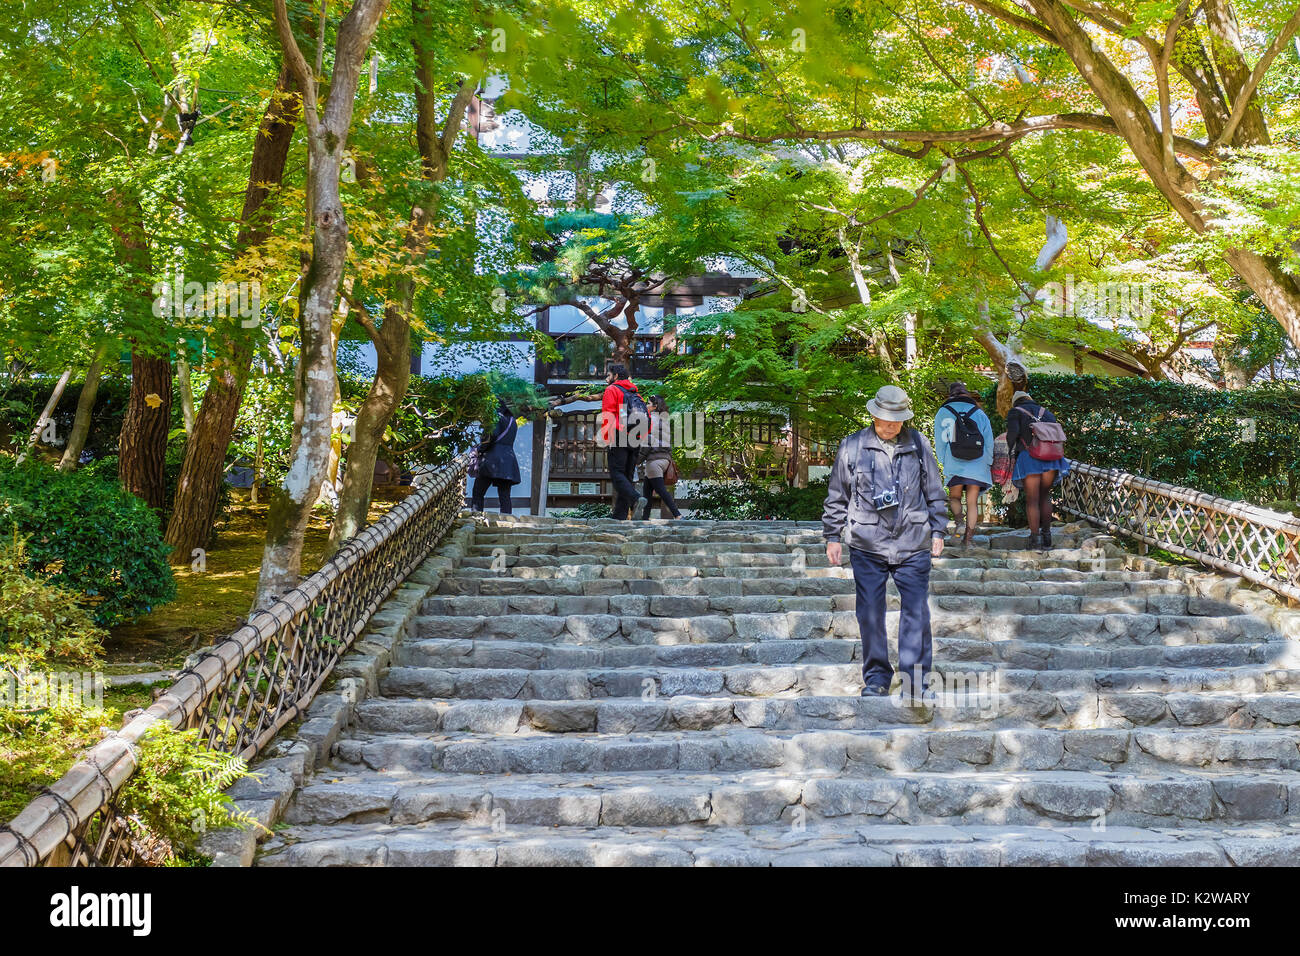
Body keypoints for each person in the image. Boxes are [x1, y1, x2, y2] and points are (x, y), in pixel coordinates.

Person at [822, 384, 948, 700]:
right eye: (883, 419)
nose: (889, 426)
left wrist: (938, 530)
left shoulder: (919, 444)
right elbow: (837, 495)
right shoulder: (852, 446)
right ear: (873, 414)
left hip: (912, 540)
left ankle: (916, 682)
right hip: (867, 542)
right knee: (869, 613)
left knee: (917, 612)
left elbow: (934, 488)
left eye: (896, 420)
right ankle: (877, 677)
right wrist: (832, 536)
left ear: (904, 419)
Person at [1005, 389, 1070, 550]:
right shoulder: (1046, 412)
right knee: (1045, 496)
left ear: (1016, 402)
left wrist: (1011, 452)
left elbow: (1011, 435)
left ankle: (1035, 540)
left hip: (1030, 458)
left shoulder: (1015, 412)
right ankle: (1047, 537)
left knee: (1032, 499)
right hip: (1052, 458)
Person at [933, 381, 995, 548]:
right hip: (978, 461)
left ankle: (959, 522)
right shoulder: (979, 413)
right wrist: (988, 462)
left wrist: (942, 460)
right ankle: (968, 540)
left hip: (954, 461)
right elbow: (988, 440)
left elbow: (941, 440)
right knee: (972, 502)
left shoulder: (944, 412)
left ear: (950, 395)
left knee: (954, 497)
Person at [599, 363, 647, 520]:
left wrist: (608, 438)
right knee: (625, 476)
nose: (607, 378)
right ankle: (619, 516)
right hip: (636, 437)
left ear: (616, 376)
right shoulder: (637, 395)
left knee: (616, 474)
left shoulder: (612, 390)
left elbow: (609, 415)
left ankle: (635, 499)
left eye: (609, 375)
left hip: (619, 434)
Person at [470, 400, 520, 513]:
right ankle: (507, 520)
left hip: (491, 459)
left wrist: (479, 449)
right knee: (505, 494)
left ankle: (475, 517)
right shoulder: (512, 420)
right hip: (508, 460)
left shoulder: (496, 417)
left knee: (478, 492)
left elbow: (492, 435)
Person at [639, 394, 682, 520]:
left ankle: (677, 514)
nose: (646, 406)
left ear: (655, 406)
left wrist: (636, 460)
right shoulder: (665, 420)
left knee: (661, 491)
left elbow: (647, 442)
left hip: (654, 461)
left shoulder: (650, 420)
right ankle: (645, 518)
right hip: (665, 459)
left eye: (648, 404)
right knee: (647, 491)